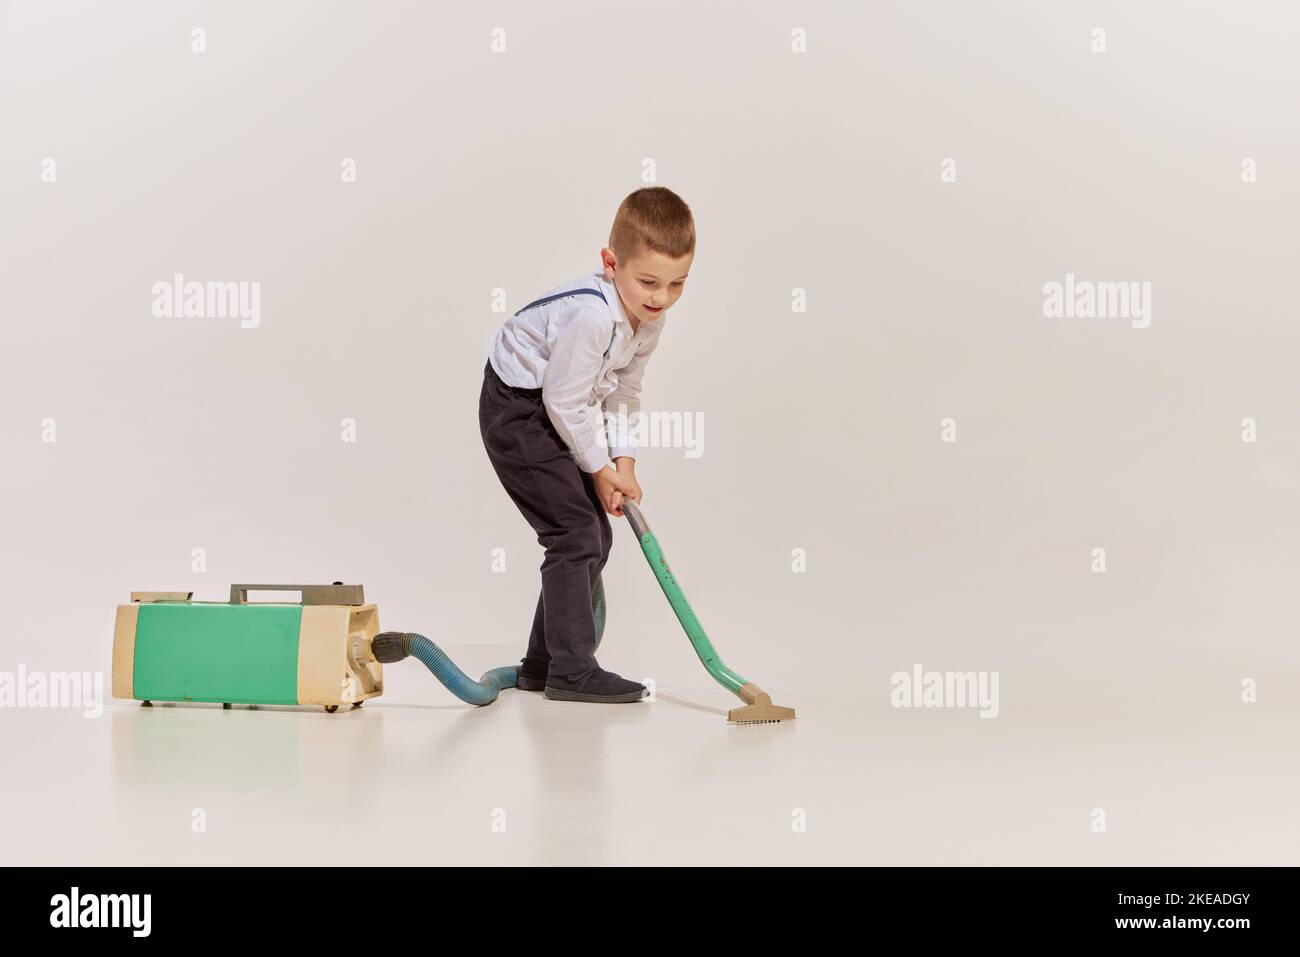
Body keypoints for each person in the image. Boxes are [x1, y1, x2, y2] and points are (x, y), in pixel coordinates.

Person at [478, 186, 695, 703]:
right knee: (574, 533)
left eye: (676, 284)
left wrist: (624, 464)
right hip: (518, 411)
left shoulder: (649, 320)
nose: (660, 297)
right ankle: (572, 672)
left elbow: (623, 391)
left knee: (593, 535)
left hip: (554, 410)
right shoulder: (593, 315)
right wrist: (598, 470)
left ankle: (541, 665)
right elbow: (564, 403)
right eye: (648, 281)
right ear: (610, 261)